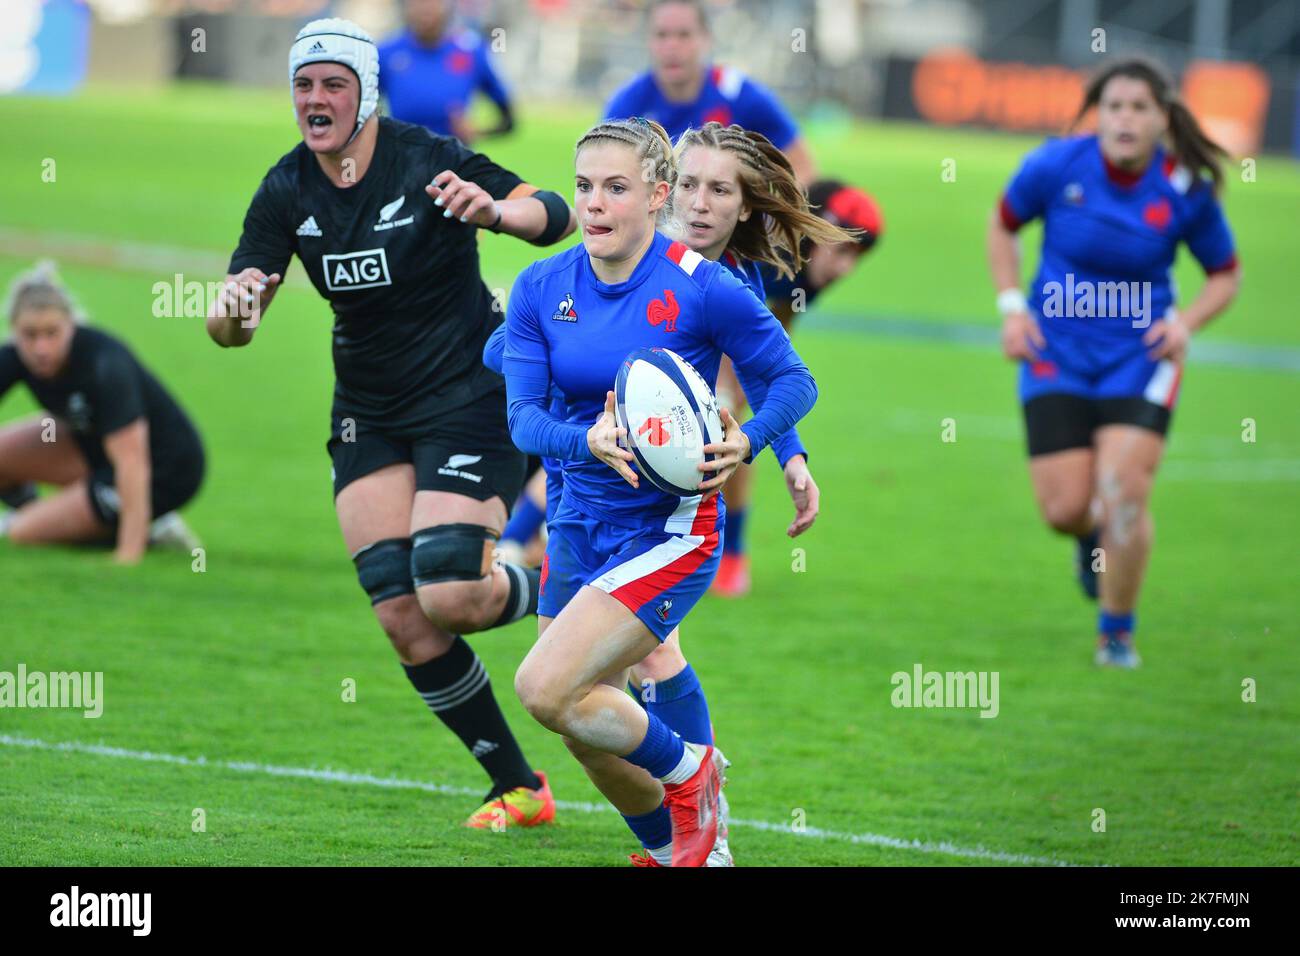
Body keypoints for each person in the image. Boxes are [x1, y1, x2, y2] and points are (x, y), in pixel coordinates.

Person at [205, 18, 576, 827]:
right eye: (304, 85)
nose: (315, 99)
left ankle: (577, 591)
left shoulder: (424, 157)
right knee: (403, 615)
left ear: (366, 93)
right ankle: (519, 786)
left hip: (469, 396)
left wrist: (498, 214)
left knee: (448, 590)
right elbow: (236, 317)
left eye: (333, 83)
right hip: (368, 414)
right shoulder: (287, 187)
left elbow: (554, 212)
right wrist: (231, 313)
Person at [502, 117, 818, 866]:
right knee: (578, 721)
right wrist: (587, 440)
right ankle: (687, 854)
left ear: (656, 195)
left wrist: (755, 441)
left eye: (616, 188)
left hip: (669, 533)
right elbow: (522, 420)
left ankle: (691, 771)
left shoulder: (706, 288)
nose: (595, 205)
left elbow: (791, 380)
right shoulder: (542, 287)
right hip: (578, 520)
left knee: (545, 687)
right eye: (583, 188)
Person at [987, 57, 1240, 668]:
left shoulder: (1184, 188)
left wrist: (1185, 324)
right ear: (1098, 114)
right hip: (1055, 355)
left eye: (1139, 107)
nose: (1125, 119)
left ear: (1163, 117)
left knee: (1123, 492)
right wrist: (1013, 309)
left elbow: (1224, 276)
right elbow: (1004, 226)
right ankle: (1090, 543)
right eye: (1114, 106)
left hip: (1139, 358)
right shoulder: (1055, 164)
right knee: (1066, 510)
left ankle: (1116, 634)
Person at [711, 178, 881, 594]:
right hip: (688, 315)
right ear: (815, 230)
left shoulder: (808, 276)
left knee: (729, 420)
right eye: (842, 251)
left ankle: (731, 552)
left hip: (729, 324)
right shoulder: (758, 245)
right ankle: (532, 532)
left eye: (857, 258)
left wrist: (789, 452)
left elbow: (769, 353)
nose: (845, 268)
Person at [0, 262, 204, 562]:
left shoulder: (104, 364)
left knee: (21, 533)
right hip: (93, 446)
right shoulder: (14, 357)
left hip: (165, 468)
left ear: (71, 326)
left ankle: (150, 528)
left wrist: (127, 555)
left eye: (52, 333)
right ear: (14, 330)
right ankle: (45, 517)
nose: (41, 347)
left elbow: (132, 460)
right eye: (30, 335)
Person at [602, 0, 816, 185]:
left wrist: (768, 224)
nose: (672, 46)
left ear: (706, 39)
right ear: (647, 41)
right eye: (661, 35)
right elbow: (603, 180)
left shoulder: (740, 95)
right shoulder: (627, 105)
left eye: (684, 35)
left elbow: (802, 167)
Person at [378, 0, 514, 143]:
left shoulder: (471, 51)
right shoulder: (386, 52)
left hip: (453, 159)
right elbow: (360, 108)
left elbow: (508, 119)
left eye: (433, 3)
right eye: (417, 3)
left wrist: (477, 131)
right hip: (402, 158)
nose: (425, 9)